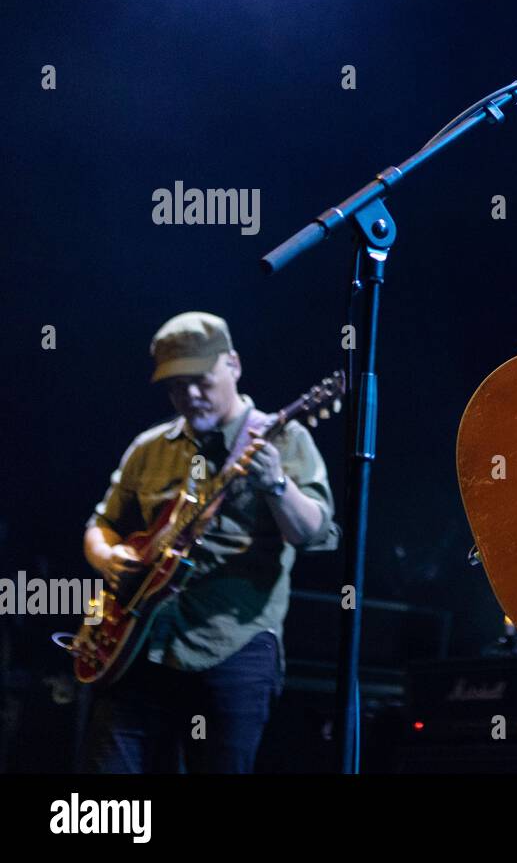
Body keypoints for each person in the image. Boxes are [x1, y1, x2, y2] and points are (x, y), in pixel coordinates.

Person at [80, 311, 339, 773]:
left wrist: (277, 484)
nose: (189, 395)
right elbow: (100, 525)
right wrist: (109, 556)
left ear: (233, 364)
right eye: (176, 386)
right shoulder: (149, 447)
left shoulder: (284, 437)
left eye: (199, 380)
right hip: (138, 647)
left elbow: (315, 533)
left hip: (232, 649)